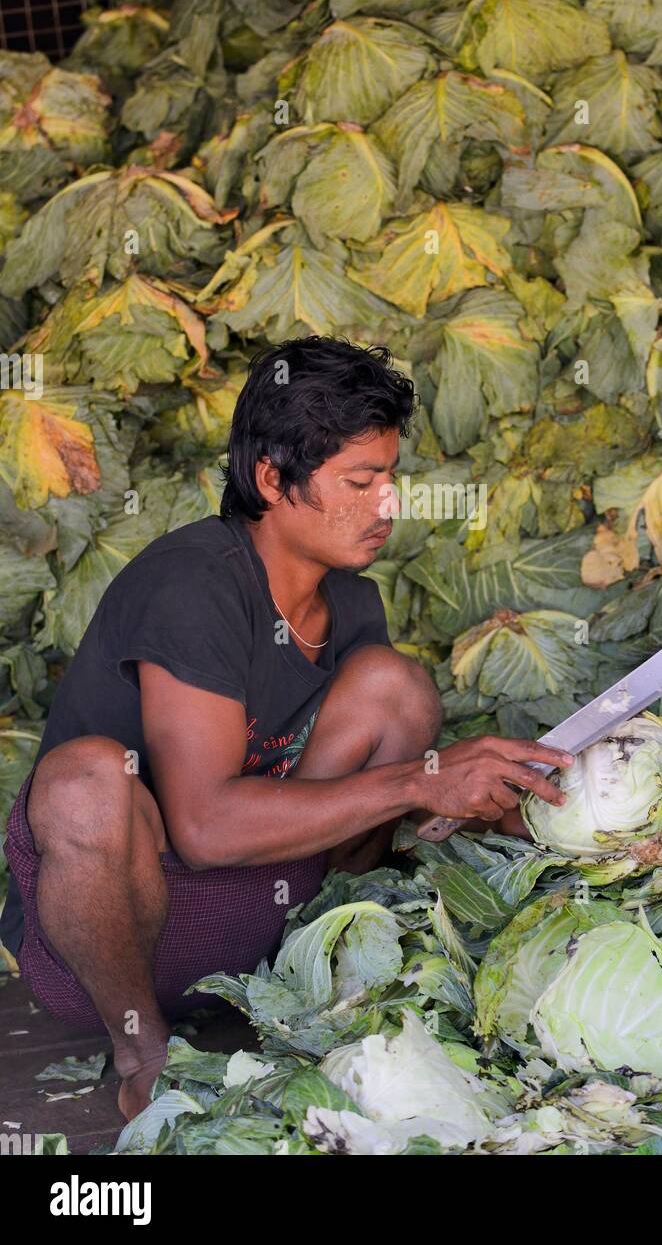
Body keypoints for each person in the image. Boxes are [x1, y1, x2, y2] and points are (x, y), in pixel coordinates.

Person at [0, 337, 570, 1120]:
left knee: (394, 688)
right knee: (84, 781)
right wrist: (420, 778)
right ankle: (144, 1059)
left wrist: (504, 806)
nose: (388, 505)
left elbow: (386, 803)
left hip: (265, 927)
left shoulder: (353, 605)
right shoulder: (193, 583)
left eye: (390, 479)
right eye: (360, 482)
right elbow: (200, 828)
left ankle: (318, 986)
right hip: (120, 945)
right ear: (272, 479)